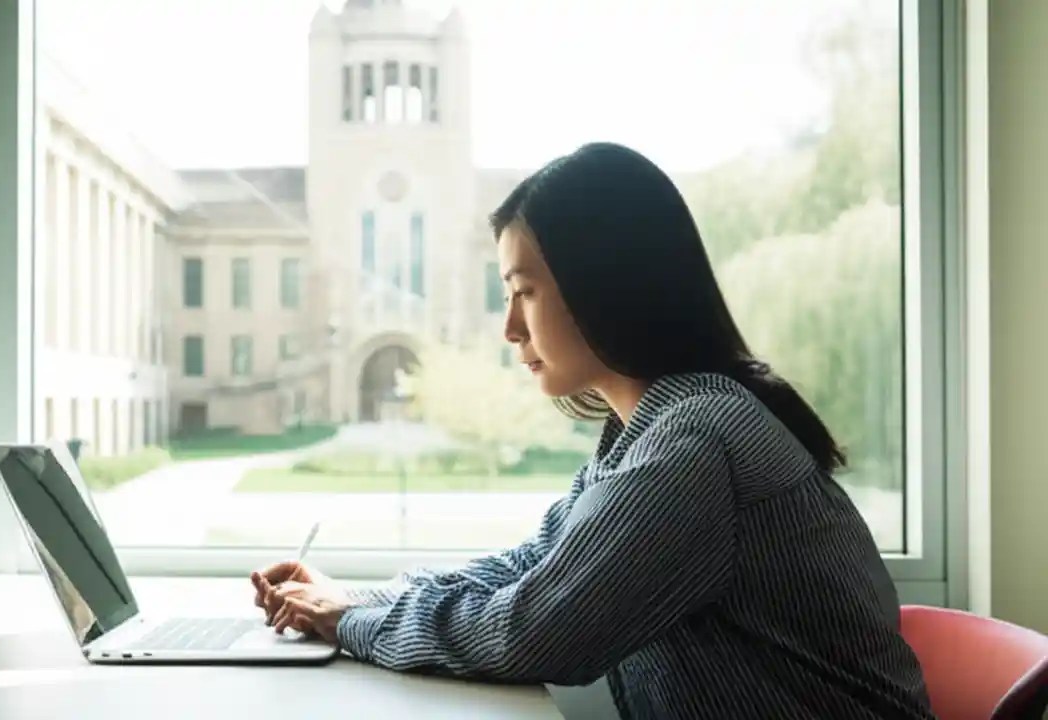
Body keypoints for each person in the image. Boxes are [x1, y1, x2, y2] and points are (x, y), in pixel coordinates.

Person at [248, 142, 935, 719]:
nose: (509, 328)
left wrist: (347, 621)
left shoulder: (693, 447)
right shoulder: (647, 431)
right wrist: (354, 598)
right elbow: (527, 571)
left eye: (524, 291)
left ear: (604, 284)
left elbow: (533, 633)